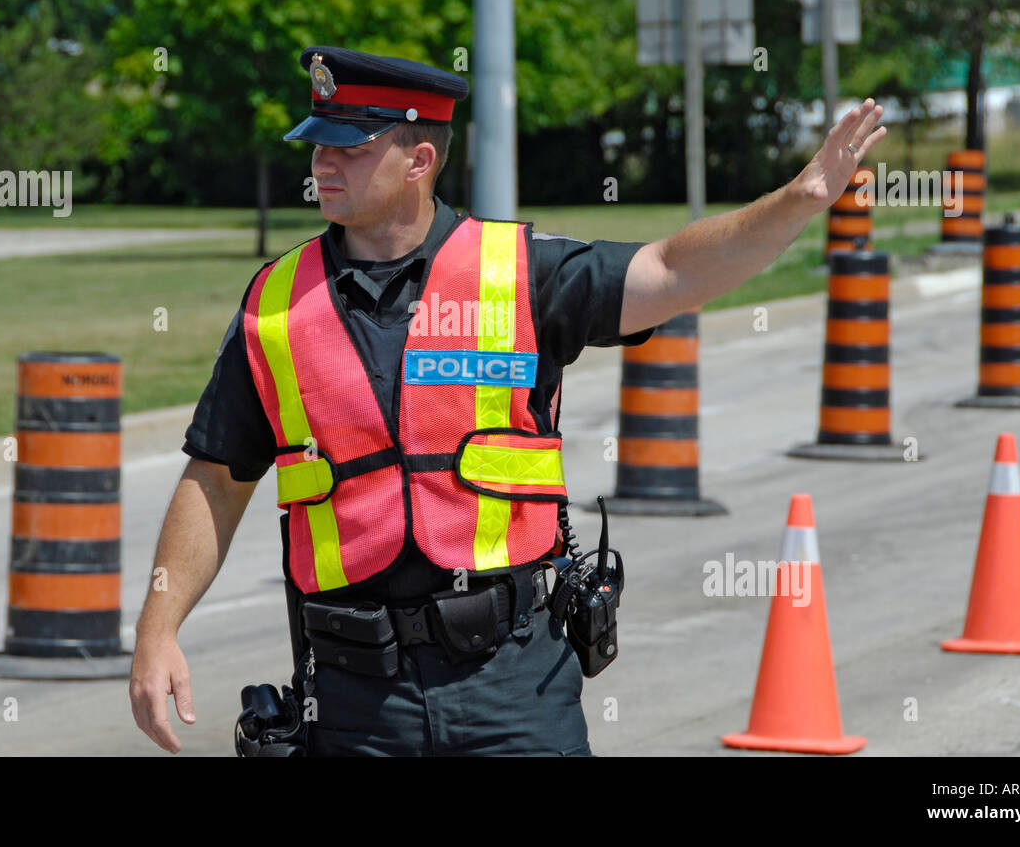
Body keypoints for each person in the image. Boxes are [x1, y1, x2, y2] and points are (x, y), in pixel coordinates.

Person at [129, 44, 887, 756]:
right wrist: (158, 630)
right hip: (352, 697)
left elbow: (672, 272)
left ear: (419, 158)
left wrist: (797, 200)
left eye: (350, 148)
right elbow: (218, 478)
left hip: (511, 683)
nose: (323, 162)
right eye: (319, 145)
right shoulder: (274, 305)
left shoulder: (517, 273)